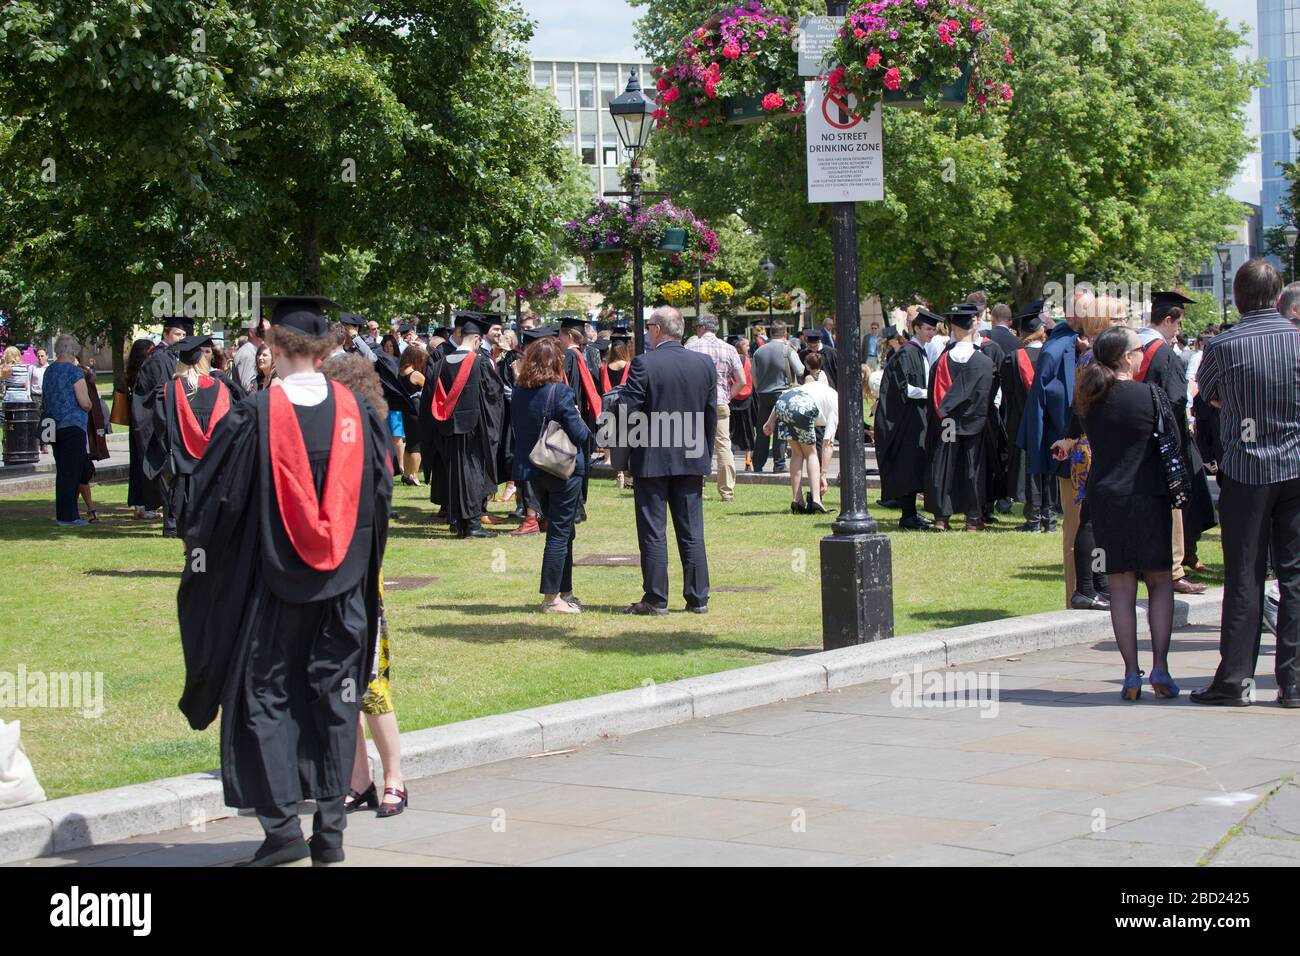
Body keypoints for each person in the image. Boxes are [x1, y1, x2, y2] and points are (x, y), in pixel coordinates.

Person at [176, 294, 392, 867]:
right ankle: (331, 831)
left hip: (270, 588)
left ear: (271, 346)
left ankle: (280, 831)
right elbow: (379, 501)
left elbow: (210, 508)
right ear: (325, 347)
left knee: (263, 696)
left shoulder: (251, 416)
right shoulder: (358, 414)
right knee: (335, 698)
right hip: (343, 590)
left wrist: (206, 562)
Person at [1191, 259, 1300, 708]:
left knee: (1244, 575)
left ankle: (1235, 680)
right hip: (1294, 464)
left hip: (1246, 469)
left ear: (1237, 297)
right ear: (1277, 296)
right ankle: (1293, 684)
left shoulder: (1224, 345)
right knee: (1293, 574)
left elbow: (1209, 396)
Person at [1052, 326, 1178, 699]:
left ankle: (1130, 674)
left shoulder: (1089, 399)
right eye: (1138, 350)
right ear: (1126, 358)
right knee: (1159, 583)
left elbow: (1077, 432)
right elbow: (1173, 445)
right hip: (1148, 496)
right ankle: (1161, 668)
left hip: (1106, 498)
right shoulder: (1150, 396)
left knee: (1120, 587)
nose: (1142, 355)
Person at [319, 350, 407, 820]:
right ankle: (359, 780)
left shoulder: (368, 447)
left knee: (372, 688)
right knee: (342, 691)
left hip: (360, 586)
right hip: (331, 583)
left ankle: (395, 777)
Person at [613, 306, 716, 615]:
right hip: (691, 455)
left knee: (653, 532)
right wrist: (705, 454)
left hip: (652, 458)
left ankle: (657, 599)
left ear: (657, 329)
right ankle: (698, 598)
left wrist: (619, 450)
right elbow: (711, 414)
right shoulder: (703, 363)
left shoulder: (645, 363)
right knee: (692, 531)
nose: (646, 333)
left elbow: (628, 412)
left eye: (648, 327)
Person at [1135, 291, 1214, 595]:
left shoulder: (1131, 345)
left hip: (1137, 440)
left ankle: (1150, 565)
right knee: (1175, 507)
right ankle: (1175, 569)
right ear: (1168, 320)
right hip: (1165, 441)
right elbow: (1176, 400)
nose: (1179, 331)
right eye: (1178, 324)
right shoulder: (1165, 353)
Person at [1019, 289, 1094, 606]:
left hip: (1100, 451)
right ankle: (1076, 593)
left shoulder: (1093, 346)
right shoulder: (1058, 350)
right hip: (1074, 452)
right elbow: (1047, 404)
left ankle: (1098, 589)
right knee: (1077, 527)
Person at [511, 336, 592, 613]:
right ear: (556, 363)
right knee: (559, 533)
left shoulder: (520, 391)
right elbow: (580, 434)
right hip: (563, 470)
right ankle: (551, 598)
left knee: (564, 531)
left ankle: (565, 590)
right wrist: (580, 419)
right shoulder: (560, 392)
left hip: (534, 469)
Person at [142, 334, 240, 538]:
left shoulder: (170, 390)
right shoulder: (221, 388)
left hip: (183, 467)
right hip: (214, 466)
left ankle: (194, 558)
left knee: (187, 520)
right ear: (202, 360)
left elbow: (161, 426)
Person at [418, 312, 505, 538]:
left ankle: (457, 521)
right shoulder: (480, 363)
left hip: (447, 429)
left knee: (454, 474)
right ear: (476, 340)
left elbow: (429, 398)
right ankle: (473, 524)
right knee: (473, 474)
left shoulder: (441, 363)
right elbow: (493, 398)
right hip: (473, 430)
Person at [924, 307, 996, 531]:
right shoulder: (984, 362)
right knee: (973, 468)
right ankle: (973, 519)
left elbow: (933, 395)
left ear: (953, 328)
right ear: (974, 326)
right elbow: (989, 396)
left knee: (944, 466)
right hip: (975, 422)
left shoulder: (942, 361)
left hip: (947, 422)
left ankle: (941, 518)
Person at [875, 308, 941, 529]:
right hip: (905, 421)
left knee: (914, 465)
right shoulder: (906, 353)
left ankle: (911, 513)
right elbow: (903, 389)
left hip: (917, 417)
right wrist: (930, 393)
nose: (931, 333)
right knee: (908, 465)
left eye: (933, 329)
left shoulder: (919, 352)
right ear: (916, 329)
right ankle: (908, 515)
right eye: (928, 329)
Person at [132, 314, 193, 535]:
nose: (181, 337)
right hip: (159, 424)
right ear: (166, 333)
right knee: (167, 474)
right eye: (178, 333)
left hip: (166, 422)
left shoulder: (170, 356)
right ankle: (171, 522)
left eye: (184, 334)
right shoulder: (159, 358)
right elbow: (160, 394)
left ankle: (174, 520)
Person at [762, 351, 837, 514]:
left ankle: (797, 500)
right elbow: (827, 443)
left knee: (797, 453)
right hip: (803, 406)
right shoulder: (835, 400)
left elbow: (788, 395)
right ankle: (816, 499)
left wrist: (770, 421)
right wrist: (824, 475)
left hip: (784, 403)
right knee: (810, 454)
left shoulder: (815, 387)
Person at [686, 314, 744, 502]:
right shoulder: (729, 349)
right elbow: (742, 380)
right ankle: (726, 491)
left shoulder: (690, 347)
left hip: (695, 402)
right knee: (723, 446)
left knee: (696, 445)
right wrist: (728, 395)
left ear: (701, 327)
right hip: (719, 402)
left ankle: (696, 488)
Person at [41, 336, 93, 527]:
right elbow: (84, 401)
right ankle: (69, 516)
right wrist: (89, 406)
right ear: (73, 352)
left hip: (53, 425)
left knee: (63, 470)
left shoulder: (49, 371)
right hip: (73, 425)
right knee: (72, 472)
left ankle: (64, 514)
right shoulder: (74, 371)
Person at [750, 321, 804, 473]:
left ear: (771, 332)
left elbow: (753, 373)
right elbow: (800, 370)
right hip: (782, 393)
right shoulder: (788, 350)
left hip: (763, 394)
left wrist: (759, 388)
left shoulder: (759, 351)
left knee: (763, 429)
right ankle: (779, 464)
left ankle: (758, 463)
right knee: (781, 429)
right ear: (785, 333)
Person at [397, 345, 427, 486]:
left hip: (406, 410)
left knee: (409, 443)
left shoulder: (401, 373)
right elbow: (429, 388)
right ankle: (414, 475)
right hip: (416, 410)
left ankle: (406, 474)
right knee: (417, 445)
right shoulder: (415, 375)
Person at [728, 334, 757, 471]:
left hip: (733, 398)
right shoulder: (748, 361)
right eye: (746, 345)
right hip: (747, 399)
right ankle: (748, 460)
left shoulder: (731, 361)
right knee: (749, 431)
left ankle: (731, 459)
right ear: (740, 347)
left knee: (731, 431)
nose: (749, 347)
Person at [231, 314, 265, 394]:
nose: (267, 335)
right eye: (262, 331)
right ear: (251, 333)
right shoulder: (248, 353)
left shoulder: (253, 351)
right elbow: (249, 388)